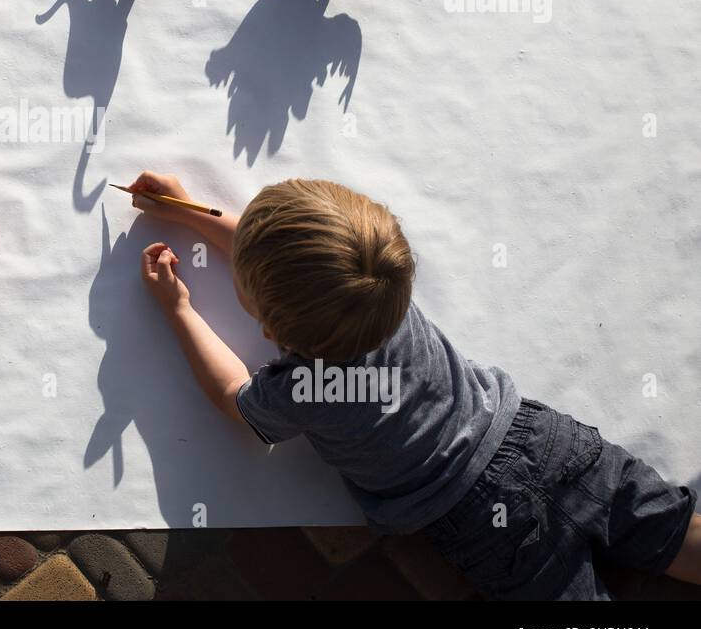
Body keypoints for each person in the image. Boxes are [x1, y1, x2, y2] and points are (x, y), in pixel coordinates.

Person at [128, 170, 700, 600]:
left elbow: (234, 399)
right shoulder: (380, 291)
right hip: (544, 441)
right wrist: (185, 208)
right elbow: (285, 259)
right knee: (669, 528)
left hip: (480, 519)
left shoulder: (300, 388)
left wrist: (179, 307)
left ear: (271, 329)